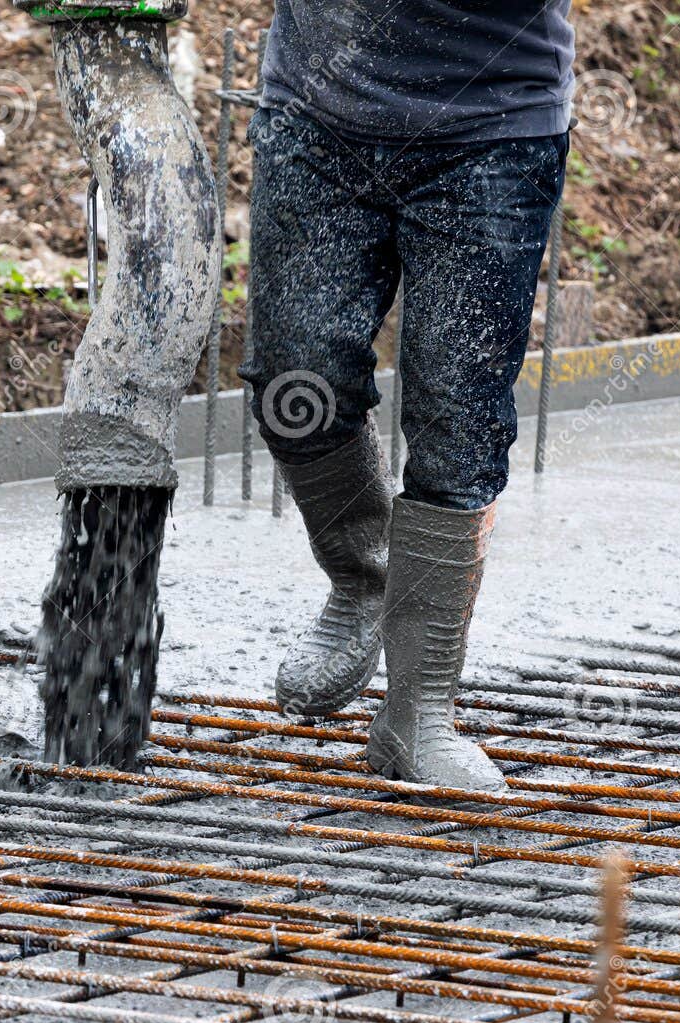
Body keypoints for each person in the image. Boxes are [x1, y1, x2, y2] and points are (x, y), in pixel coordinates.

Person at [240, 2, 574, 789]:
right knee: (297, 375)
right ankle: (365, 575)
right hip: (316, 115)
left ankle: (417, 713)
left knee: (458, 422)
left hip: (492, 132)